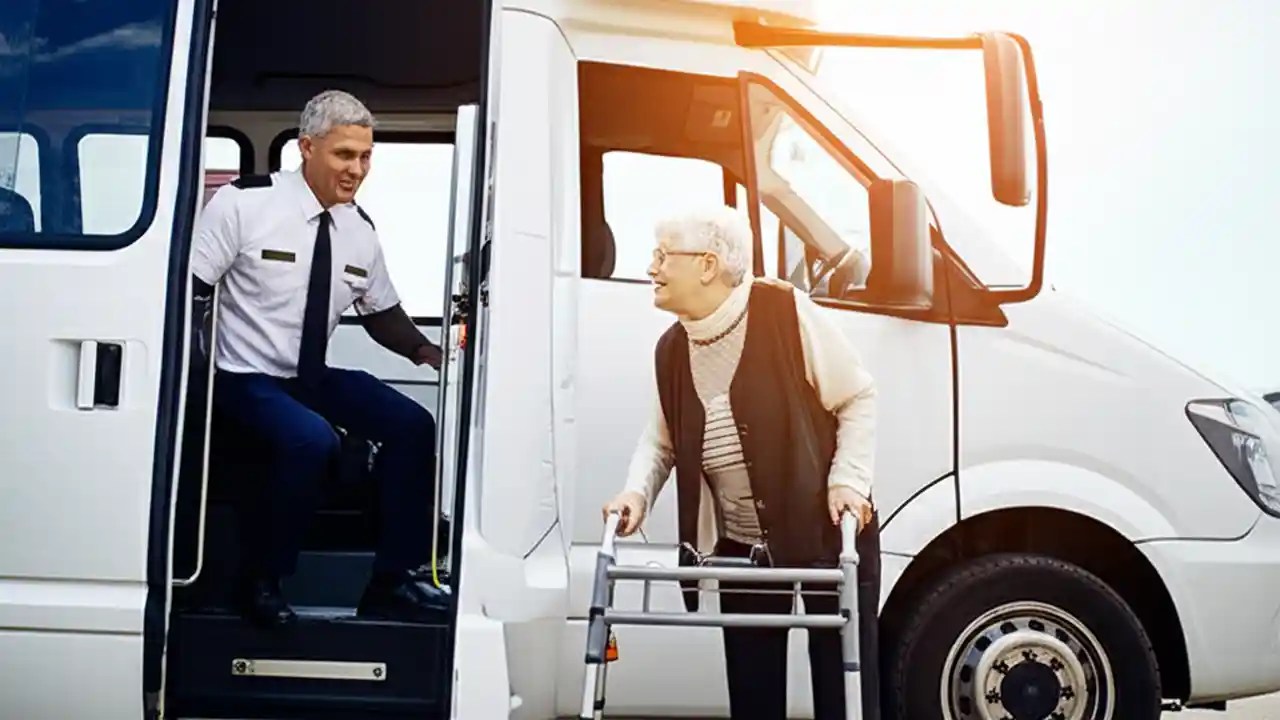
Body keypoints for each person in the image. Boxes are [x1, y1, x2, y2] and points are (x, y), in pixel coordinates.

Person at [602, 206, 881, 719]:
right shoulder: (671, 348)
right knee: (753, 693)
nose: (651, 268)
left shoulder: (782, 310)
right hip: (744, 549)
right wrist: (635, 494)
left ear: (707, 265)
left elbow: (857, 397)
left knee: (844, 690)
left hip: (826, 531)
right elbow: (661, 441)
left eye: (664, 256)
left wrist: (848, 482)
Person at [191, 89, 447, 627]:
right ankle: (260, 582)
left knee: (412, 426)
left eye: (366, 156)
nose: (357, 169)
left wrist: (428, 351)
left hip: (308, 376)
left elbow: (381, 313)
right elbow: (190, 290)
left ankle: (391, 581)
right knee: (311, 439)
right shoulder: (245, 204)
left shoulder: (359, 230)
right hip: (242, 375)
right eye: (344, 155)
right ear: (306, 147)